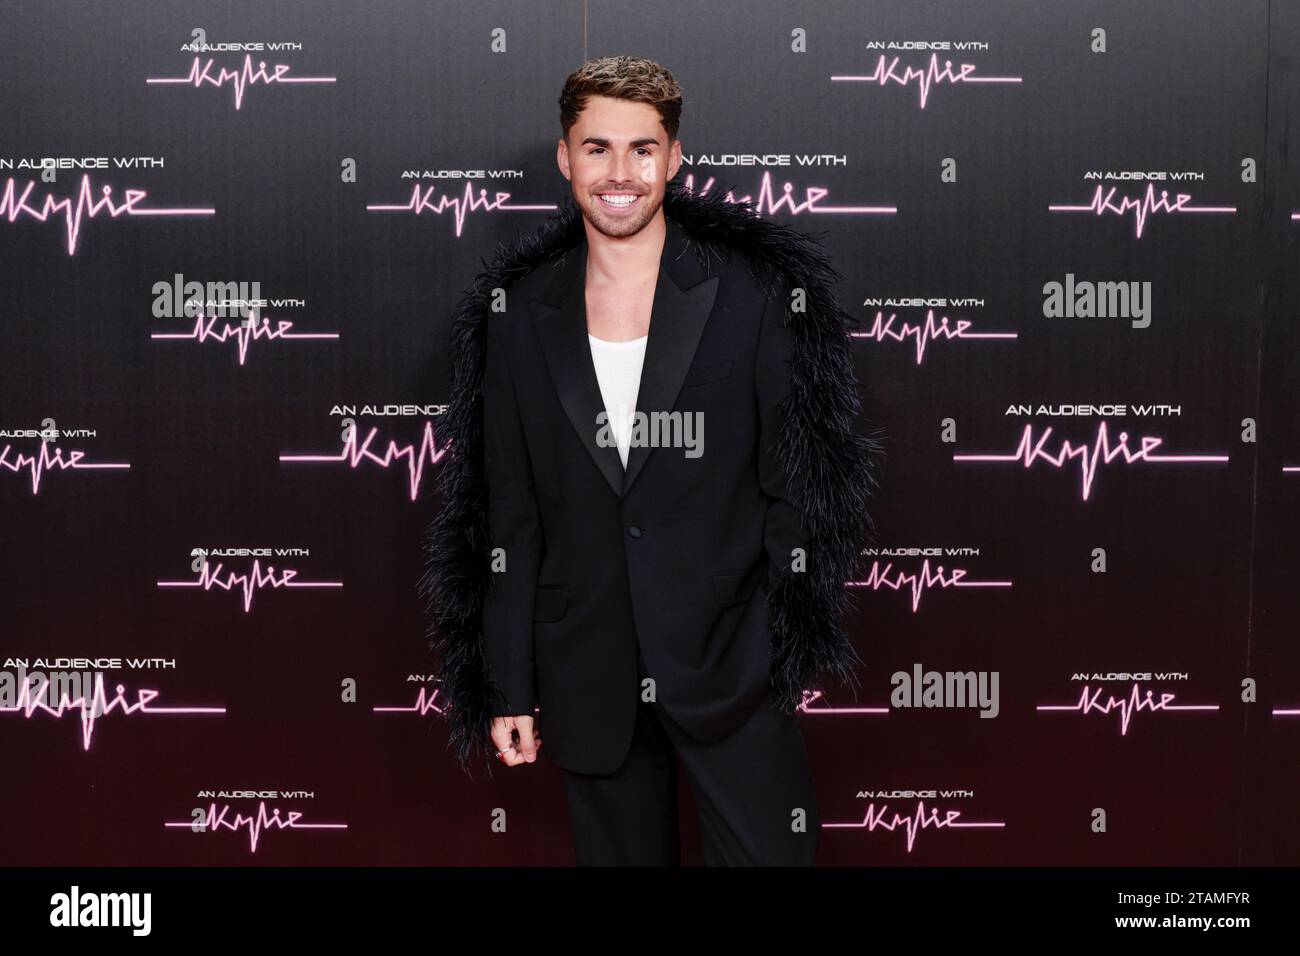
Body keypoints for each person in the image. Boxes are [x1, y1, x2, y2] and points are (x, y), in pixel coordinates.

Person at [420, 55, 885, 865]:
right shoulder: (519, 313)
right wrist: (509, 682)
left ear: (673, 159)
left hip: (730, 670)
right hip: (588, 671)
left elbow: (796, 487)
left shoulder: (752, 295)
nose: (620, 174)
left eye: (643, 149)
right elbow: (510, 513)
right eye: (597, 148)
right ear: (566, 159)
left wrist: (771, 647)